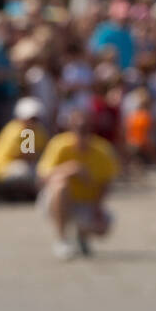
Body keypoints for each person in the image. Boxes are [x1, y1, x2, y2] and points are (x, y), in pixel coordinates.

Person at [36, 109, 119, 260]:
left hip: (86, 203)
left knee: (104, 225)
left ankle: (82, 234)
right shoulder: (58, 144)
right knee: (59, 185)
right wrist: (69, 169)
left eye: (86, 129)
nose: (82, 133)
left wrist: (97, 208)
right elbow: (42, 177)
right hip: (59, 201)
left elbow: (106, 183)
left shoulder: (102, 150)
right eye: (78, 129)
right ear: (70, 129)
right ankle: (62, 240)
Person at [0, 96, 46, 200]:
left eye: (35, 119)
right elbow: (26, 155)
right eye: (31, 118)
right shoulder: (18, 131)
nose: (33, 121)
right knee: (28, 170)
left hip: (13, 167)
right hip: (3, 169)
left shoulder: (36, 131)